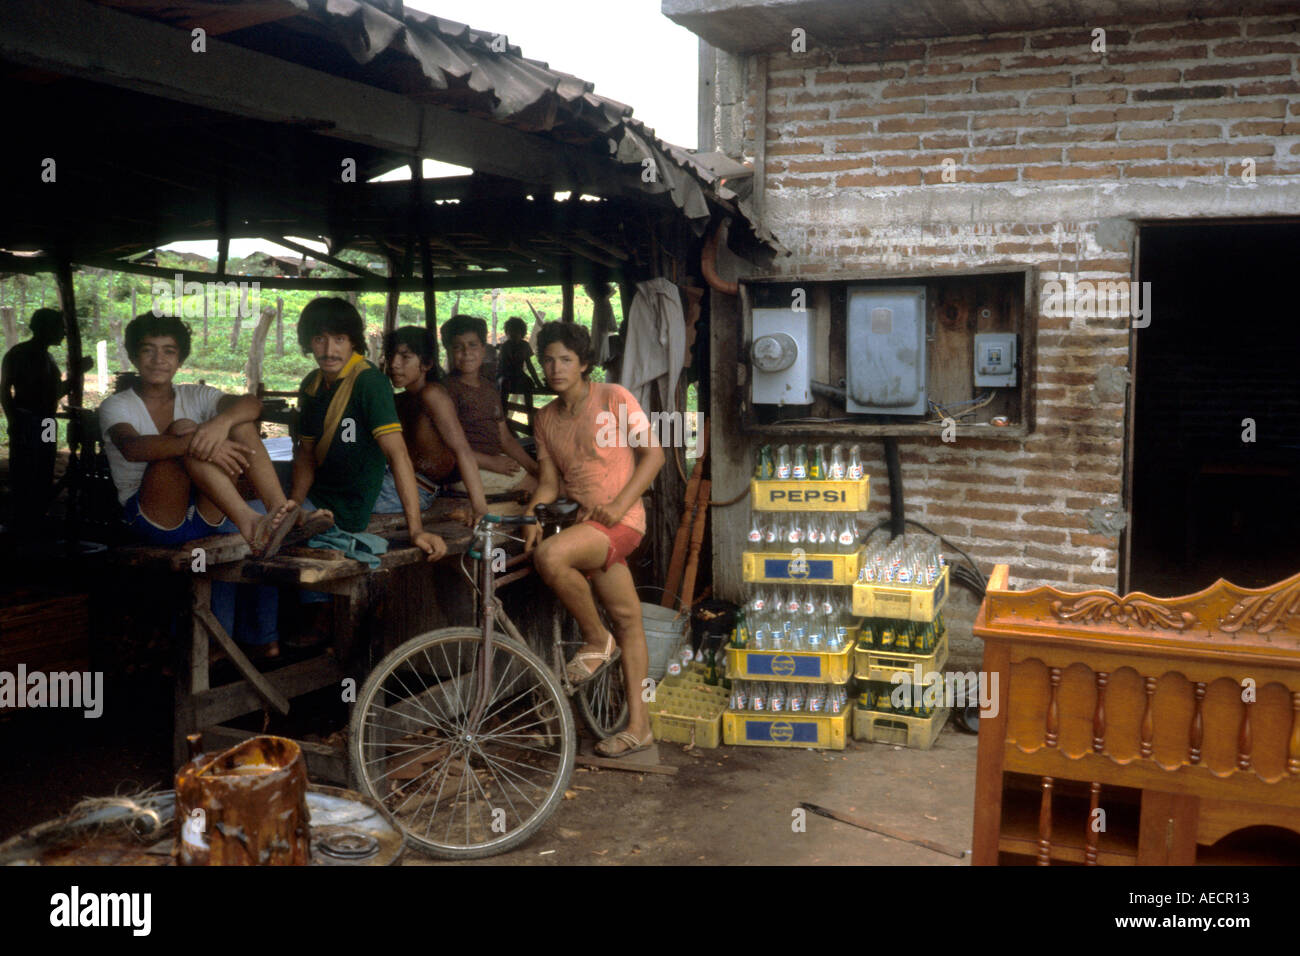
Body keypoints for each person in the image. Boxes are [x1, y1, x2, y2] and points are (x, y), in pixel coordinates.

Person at [98, 312, 291, 654]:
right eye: (149, 350)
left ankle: (277, 511)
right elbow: (133, 448)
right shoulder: (117, 405)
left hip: (205, 514)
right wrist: (198, 440)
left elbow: (252, 404)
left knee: (236, 423)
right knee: (184, 428)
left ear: (181, 359)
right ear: (132, 356)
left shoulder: (194, 394)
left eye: (169, 351)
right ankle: (249, 521)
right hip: (155, 518)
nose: (159, 360)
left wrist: (221, 424)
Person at [523, 321, 665, 758]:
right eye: (548, 359)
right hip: (586, 528)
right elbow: (548, 483)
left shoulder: (613, 397)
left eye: (565, 359)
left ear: (584, 364)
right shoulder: (545, 418)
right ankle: (639, 728)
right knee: (628, 618)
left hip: (622, 521)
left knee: (550, 557)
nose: (555, 367)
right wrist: (531, 515)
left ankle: (594, 640)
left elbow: (654, 454)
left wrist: (620, 504)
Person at [284, 297, 446, 561]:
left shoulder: (369, 382)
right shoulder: (311, 384)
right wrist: (297, 504)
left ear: (353, 342)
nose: (329, 350)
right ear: (308, 342)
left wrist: (416, 530)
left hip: (346, 507)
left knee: (235, 526)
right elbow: (306, 453)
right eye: (319, 340)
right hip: (317, 496)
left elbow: (398, 456)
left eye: (339, 339)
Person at [373, 325, 489, 519]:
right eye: (391, 356)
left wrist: (480, 507)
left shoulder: (432, 394)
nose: (394, 364)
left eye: (405, 357)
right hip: (392, 480)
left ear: (426, 364)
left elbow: (462, 450)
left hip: (420, 489)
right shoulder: (398, 400)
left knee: (343, 501)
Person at [1, 308, 90, 528]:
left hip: (46, 422)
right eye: (60, 328)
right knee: (27, 469)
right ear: (46, 329)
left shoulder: (44, 356)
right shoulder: (23, 354)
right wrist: (14, 420)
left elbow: (51, 393)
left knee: (44, 465)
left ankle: (35, 516)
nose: (63, 333)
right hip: (31, 421)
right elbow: (8, 390)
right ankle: (25, 520)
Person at [441, 314, 539, 496]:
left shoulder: (489, 388)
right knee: (541, 490)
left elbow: (506, 439)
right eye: (457, 347)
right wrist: (491, 462)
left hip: (495, 462)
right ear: (447, 350)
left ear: (483, 349)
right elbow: (444, 448)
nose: (466, 352)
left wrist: (533, 466)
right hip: (464, 471)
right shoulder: (445, 391)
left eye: (472, 345)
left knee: (545, 480)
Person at [496, 315, 544, 412]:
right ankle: (503, 415)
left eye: (516, 332)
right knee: (504, 385)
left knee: (528, 384)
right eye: (511, 332)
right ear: (507, 333)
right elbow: (501, 366)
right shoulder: (505, 346)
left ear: (522, 333)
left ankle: (530, 414)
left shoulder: (524, 346)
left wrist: (537, 382)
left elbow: (530, 366)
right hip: (505, 375)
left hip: (518, 375)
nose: (513, 335)